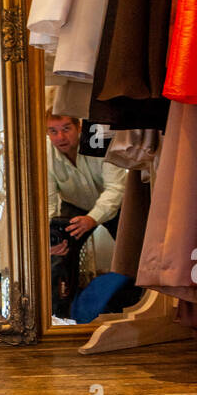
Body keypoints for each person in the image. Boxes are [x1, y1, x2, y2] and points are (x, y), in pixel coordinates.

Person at [46, 111, 126, 316]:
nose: (60, 138)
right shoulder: (44, 154)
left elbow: (116, 189)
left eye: (66, 129)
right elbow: (49, 200)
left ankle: (133, 304)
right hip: (74, 204)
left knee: (133, 253)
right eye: (53, 131)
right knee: (59, 256)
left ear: (79, 126)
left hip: (117, 204)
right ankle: (61, 314)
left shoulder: (99, 142)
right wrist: (51, 236)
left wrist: (92, 218)